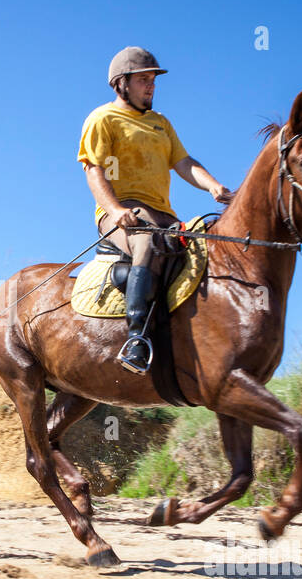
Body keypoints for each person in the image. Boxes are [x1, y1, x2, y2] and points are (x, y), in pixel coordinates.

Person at [77, 46, 235, 374]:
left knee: (202, 248)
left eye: (153, 80)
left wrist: (213, 186)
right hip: (121, 215)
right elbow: (93, 169)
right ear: (122, 83)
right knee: (146, 242)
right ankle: (136, 341)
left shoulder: (161, 124)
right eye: (143, 80)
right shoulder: (102, 118)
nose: (151, 86)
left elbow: (183, 163)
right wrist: (115, 209)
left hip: (163, 215)